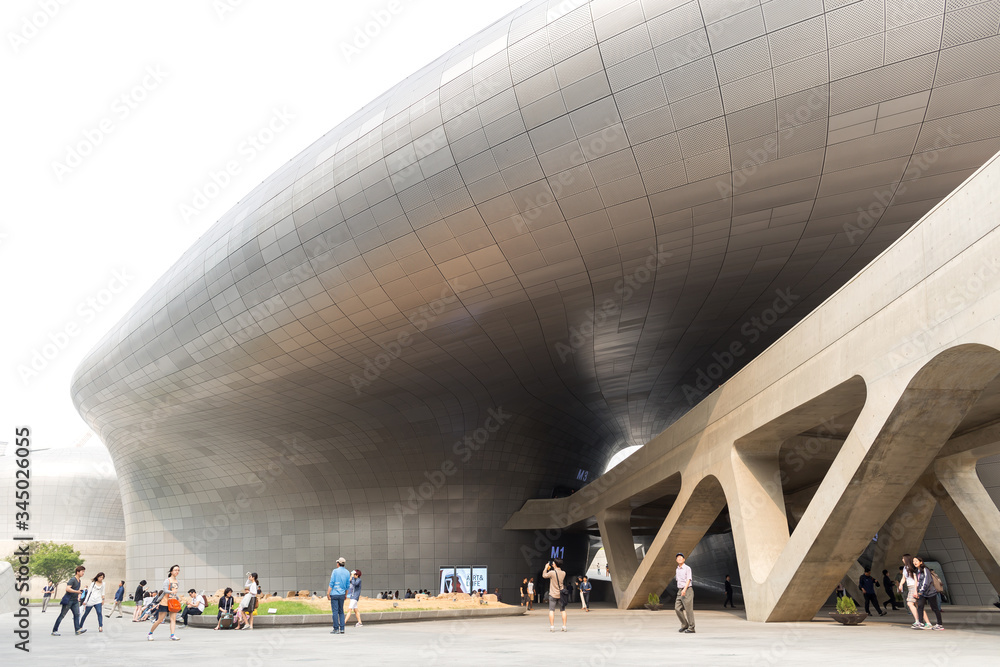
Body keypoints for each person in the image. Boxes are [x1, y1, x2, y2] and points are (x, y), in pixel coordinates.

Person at [52, 565, 87, 636]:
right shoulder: (72, 579)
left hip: (75, 601)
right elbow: (67, 588)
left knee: (77, 615)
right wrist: (77, 592)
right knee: (62, 615)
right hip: (68, 600)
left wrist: (79, 594)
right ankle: (54, 631)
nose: (83, 573)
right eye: (82, 571)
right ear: (77, 572)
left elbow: (75, 590)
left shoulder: (79, 580)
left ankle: (77, 630)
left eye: (84, 571)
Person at [148, 564, 181, 641]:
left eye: (178, 570)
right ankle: (150, 633)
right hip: (165, 602)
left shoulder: (178, 581)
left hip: (173, 602)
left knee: (173, 619)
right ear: (171, 571)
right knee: (159, 620)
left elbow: (175, 592)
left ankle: (172, 635)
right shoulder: (167, 580)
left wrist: (177, 597)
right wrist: (172, 591)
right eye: (175, 570)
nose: (177, 572)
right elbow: (165, 590)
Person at [899, 555, 930, 628]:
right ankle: (927, 623)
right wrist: (900, 585)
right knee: (918, 605)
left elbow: (916, 579)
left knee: (910, 603)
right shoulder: (905, 568)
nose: (902, 560)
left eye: (903, 558)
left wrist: (916, 590)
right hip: (910, 587)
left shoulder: (911, 568)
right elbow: (904, 578)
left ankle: (918, 621)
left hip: (914, 587)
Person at [913, 556, 944, 630]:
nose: (915, 562)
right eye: (914, 561)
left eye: (916, 561)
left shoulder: (925, 570)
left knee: (935, 608)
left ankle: (939, 624)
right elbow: (918, 582)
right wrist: (917, 591)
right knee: (920, 606)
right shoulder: (917, 571)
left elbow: (926, 581)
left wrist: (921, 590)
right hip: (923, 593)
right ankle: (920, 622)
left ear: (921, 562)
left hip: (930, 592)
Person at [542, 557, 568, 632]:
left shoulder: (552, 573)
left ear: (555, 564)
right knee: (563, 610)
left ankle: (552, 626)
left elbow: (544, 575)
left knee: (551, 610)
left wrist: (546, 567)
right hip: (561, 594)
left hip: (553, 594)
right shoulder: (563, 573)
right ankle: (564, 626)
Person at [328, 556, 350, 635]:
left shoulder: (335, 571)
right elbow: (348, 585)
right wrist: (346, 595)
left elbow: (332, 583)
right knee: (341, 611)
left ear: (338, 564)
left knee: (335, 611)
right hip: (342, 594)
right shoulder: (347, 572)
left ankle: (336, 628)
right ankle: (342, 628)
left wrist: (328, 593)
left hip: (334, 594)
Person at [675, 552, 695, 633]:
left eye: (681, 557)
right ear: (676, 560)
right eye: (678, 558)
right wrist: (681, 590)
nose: (679, 559)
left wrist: (685, 589)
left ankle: (691, 628)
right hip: (680, 590)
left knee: (688, 610)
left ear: (684, 559)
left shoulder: (687, 568)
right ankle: (684, 625)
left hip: (687, 590)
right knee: (677, 608)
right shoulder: (677, 569)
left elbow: (689, 579)